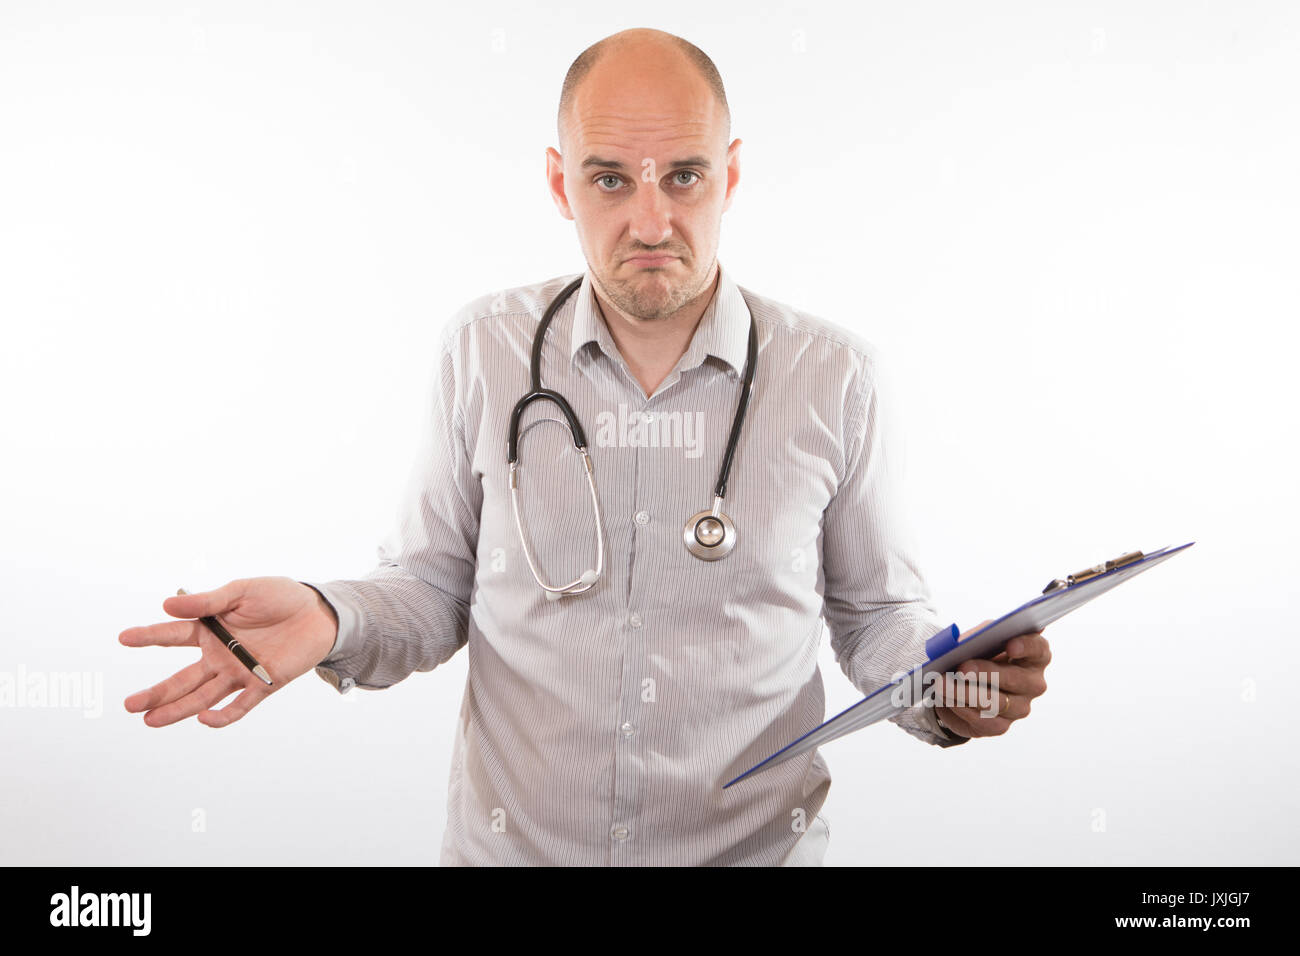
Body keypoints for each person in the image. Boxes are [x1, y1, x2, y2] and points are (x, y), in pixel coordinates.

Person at [120, 27, 1051, 866]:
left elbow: (875, 614)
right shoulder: (483, 350)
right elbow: (432, 588)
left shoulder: (836, 376)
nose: (650, 223)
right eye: (610, 178)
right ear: (563, 184)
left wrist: (942, 684)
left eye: (683, 176)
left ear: (729, 175)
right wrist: (332, 617)